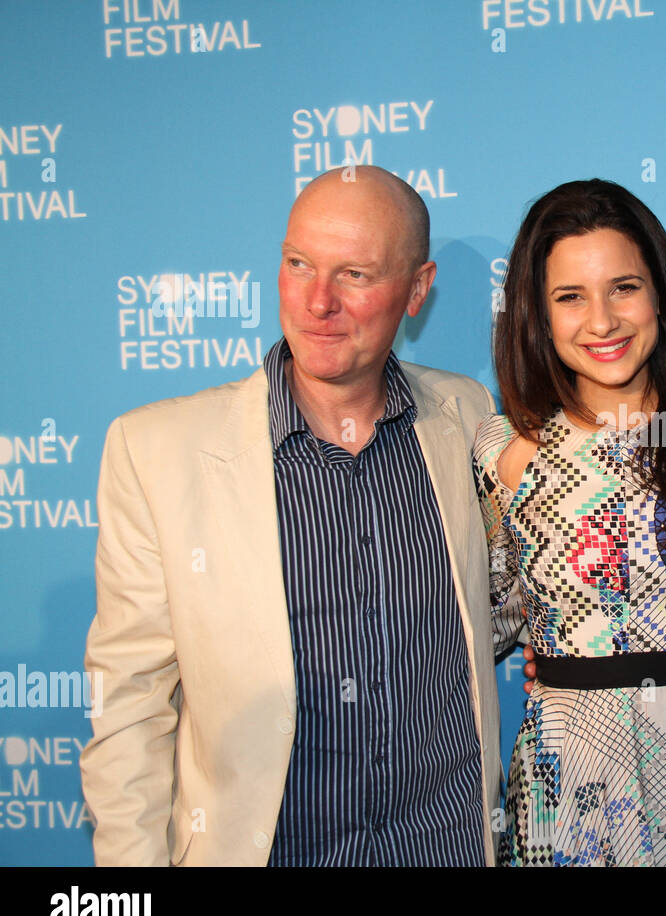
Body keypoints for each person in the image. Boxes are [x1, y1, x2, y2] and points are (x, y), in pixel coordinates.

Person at [80, 166, 501, 866]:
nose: (317, 302)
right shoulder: (157, 452)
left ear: (418, 290)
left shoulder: (467, 416)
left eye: (356, 275)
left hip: (444, 848)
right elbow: (129, 706)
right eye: (298, 263)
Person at [475, 179, 666, 866]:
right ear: (536, 313)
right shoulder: (506, 451)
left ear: (661, 295)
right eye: (570, 297)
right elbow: (488, 618)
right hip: (570, 772)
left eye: (623, 288)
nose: (602, 321)